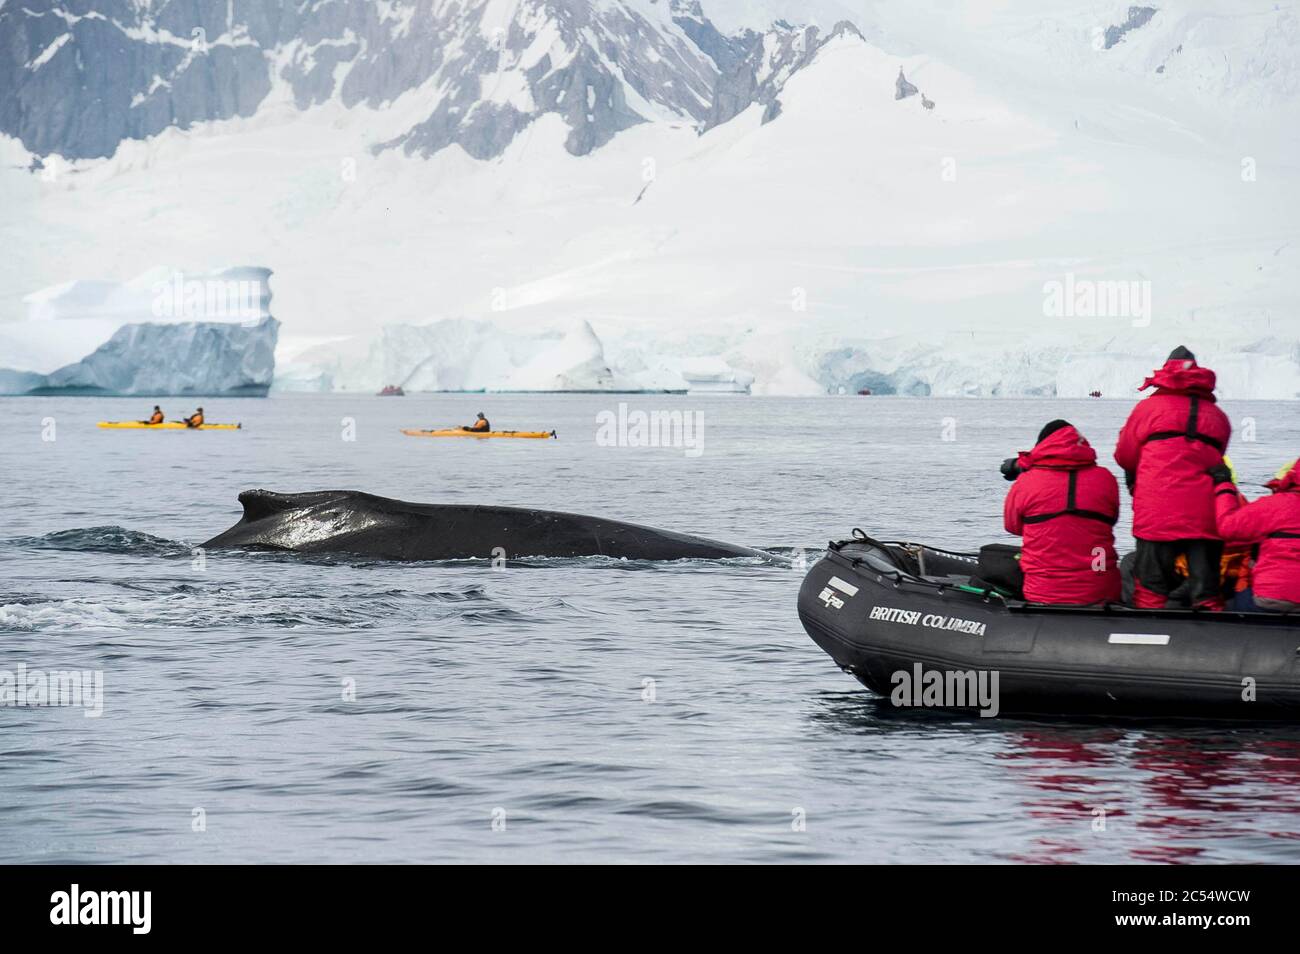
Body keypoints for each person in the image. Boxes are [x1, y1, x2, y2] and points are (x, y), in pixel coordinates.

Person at [1114, 346, 1231, 610]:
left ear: (1166, 371)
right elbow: (1217, 458)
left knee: (1150, 588)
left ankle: (1148, 635)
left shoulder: (1146, 409)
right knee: (1206, 591)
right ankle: (1213, 637)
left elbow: (1125, 456)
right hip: (1204, 513)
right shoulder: (1218, 416)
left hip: (1157, 511)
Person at [1002, 419, 1121, 604]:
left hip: (1042, 592)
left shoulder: (1026, 482)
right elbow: (1110, 521)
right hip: (1101, 591)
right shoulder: (1106, 479)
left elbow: (1013, 527)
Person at [1212, 458, 1300, 612]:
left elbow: (1228, 528)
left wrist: (1224, 486)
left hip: (1274, 598)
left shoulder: (1276, 505)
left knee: (1233, 602)